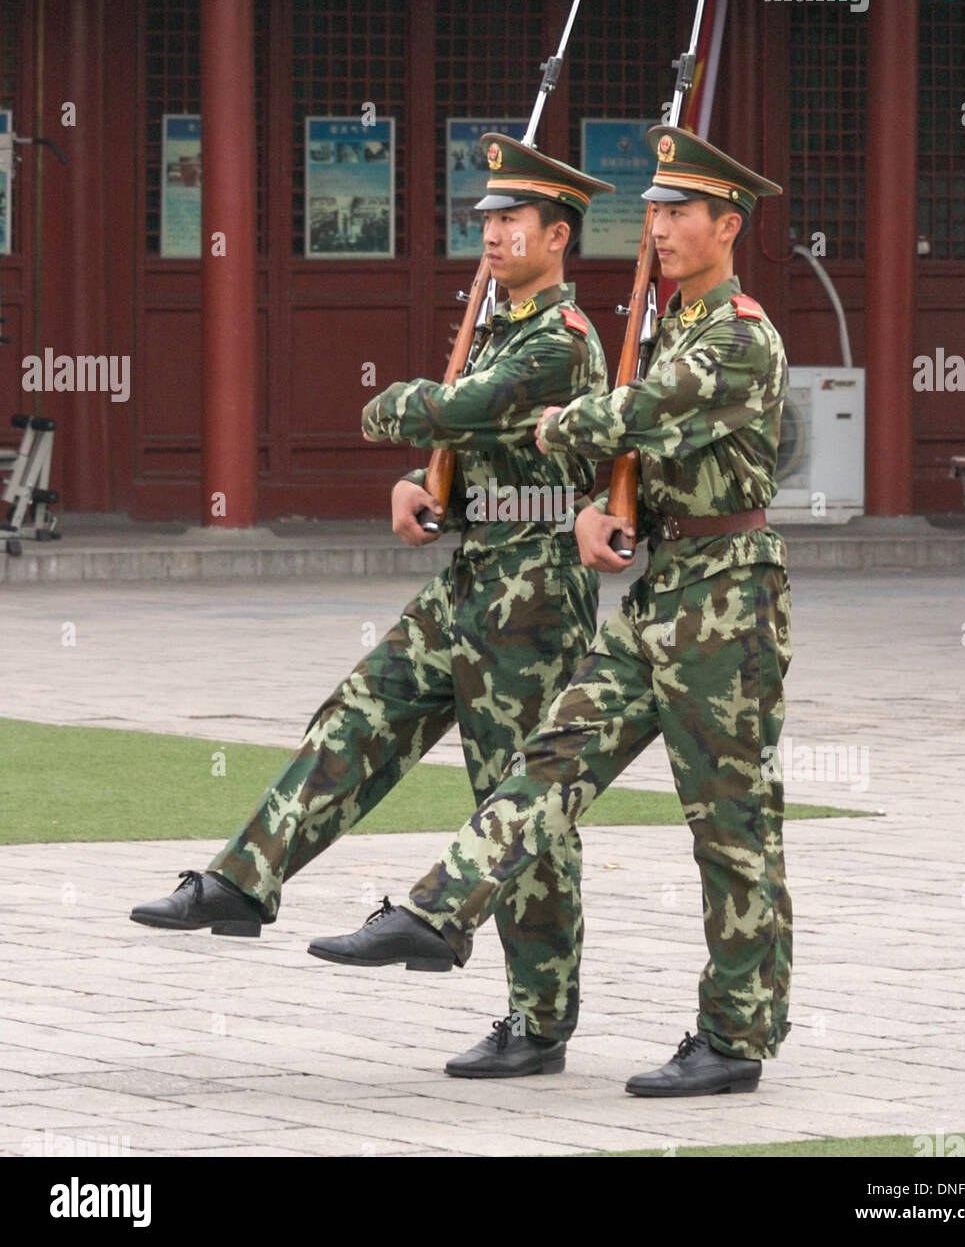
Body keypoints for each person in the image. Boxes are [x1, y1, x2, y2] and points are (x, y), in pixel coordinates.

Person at [309, 126, 793, 1099]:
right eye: (650, 211)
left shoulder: (738, 334)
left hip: (726, 600)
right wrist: (603, 508)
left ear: (724, 224)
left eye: (675, 212)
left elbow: (644, 414)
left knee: (728, 826)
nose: (654, 227)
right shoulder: (670, 324)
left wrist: (558, 424)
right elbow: (648, 461)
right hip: (659, 593)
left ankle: (734, 1038)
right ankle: (441, 910)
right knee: (550, 761)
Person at [130, 134, 615, 1079]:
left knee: (514, 804)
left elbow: (461, 409)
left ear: (558, 236)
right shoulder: (499, 325)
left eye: (513, 220)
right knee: (357, 716)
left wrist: (398, 411)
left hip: (537, 594)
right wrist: (417, 481)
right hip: (474, 573)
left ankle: (541, 1018)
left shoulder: (561, 342)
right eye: (488, 220)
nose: (495, 234)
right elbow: (472, 439)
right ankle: (243, 881)